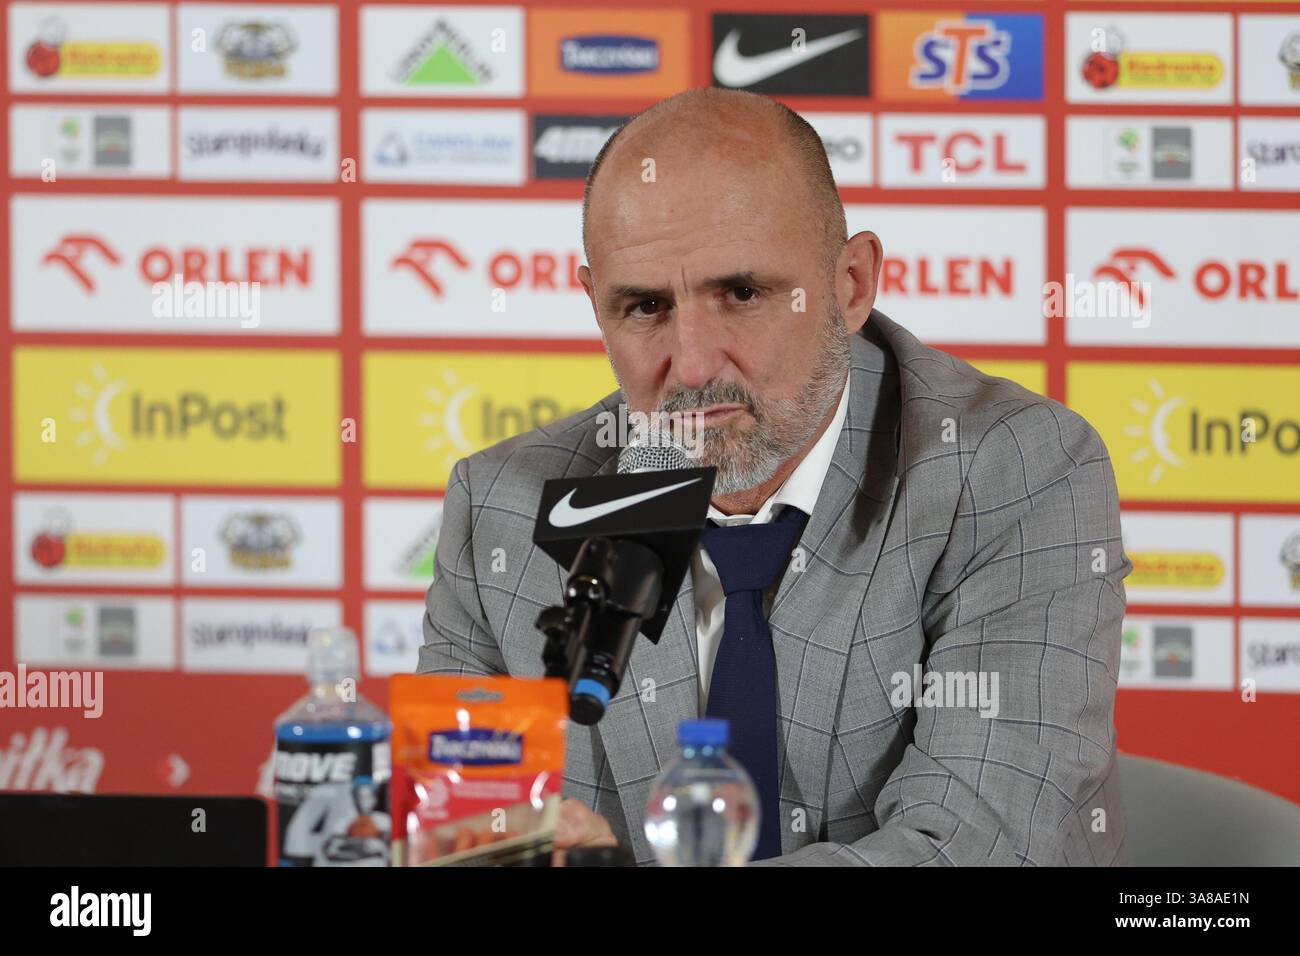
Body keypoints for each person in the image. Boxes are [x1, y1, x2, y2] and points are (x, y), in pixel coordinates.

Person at [419, 88, 1131, 866]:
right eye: (645, 307)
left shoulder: (1011, 470)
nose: (690, 366)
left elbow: (975, 850)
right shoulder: (502, 507)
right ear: (596, 305)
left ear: (851, 284)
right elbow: (466, 841)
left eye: (743, 293)